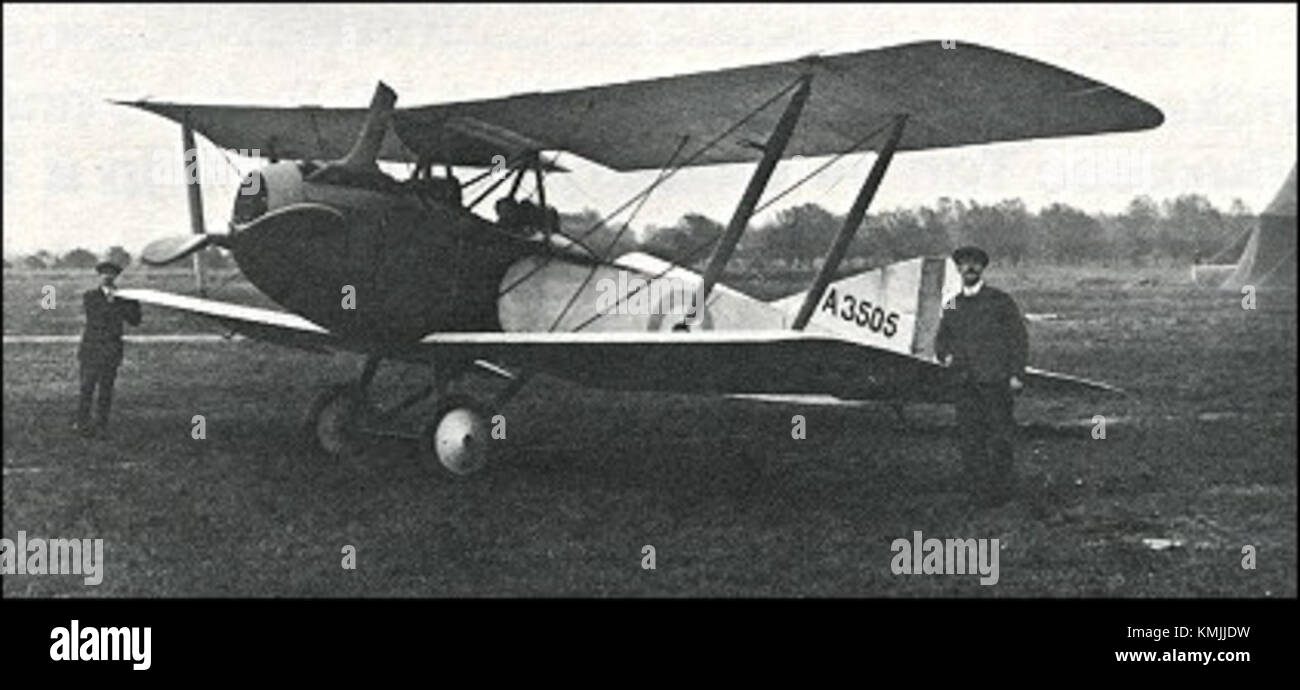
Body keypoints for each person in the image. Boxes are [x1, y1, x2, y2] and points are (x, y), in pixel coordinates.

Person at [934, 246, 1028, 505]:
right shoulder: (953, 303)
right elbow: (942, 339)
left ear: (982, 268)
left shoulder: (1000, 300)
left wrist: (1016, 374)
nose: (970, 268)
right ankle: (976, 492)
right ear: (958, 269)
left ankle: (1002, 493)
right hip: (965, 383)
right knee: (970, 439)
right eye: (964, 263)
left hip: (994, 381)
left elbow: (1018, 339)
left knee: (999, 437)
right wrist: (945, 356)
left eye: (975, 263)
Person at [74, 261, 142, 438]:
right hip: (91, 349)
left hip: (111, 350)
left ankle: (101, 425)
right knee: (87, 388)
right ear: (99, 276)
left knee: (106, 390)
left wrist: (131, 302)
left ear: (116, 276)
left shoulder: (126, 298)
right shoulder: (90, 296)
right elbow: (97, 317)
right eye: (104, 273)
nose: (107, 276)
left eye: (111, 273)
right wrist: (116, 303)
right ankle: (83, 425)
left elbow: (135, 321)